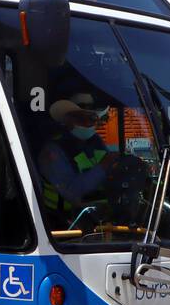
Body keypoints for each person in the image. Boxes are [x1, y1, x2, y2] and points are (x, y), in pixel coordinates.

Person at [38, 92, 117, 224]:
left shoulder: (96, 142)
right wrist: (104, 166)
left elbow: (110, 172)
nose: (87, 123)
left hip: (99, 219)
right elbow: (72, 191)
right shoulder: (52, 150)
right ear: (67, 120)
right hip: (61, 225)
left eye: (91, 119)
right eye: (81, 118)